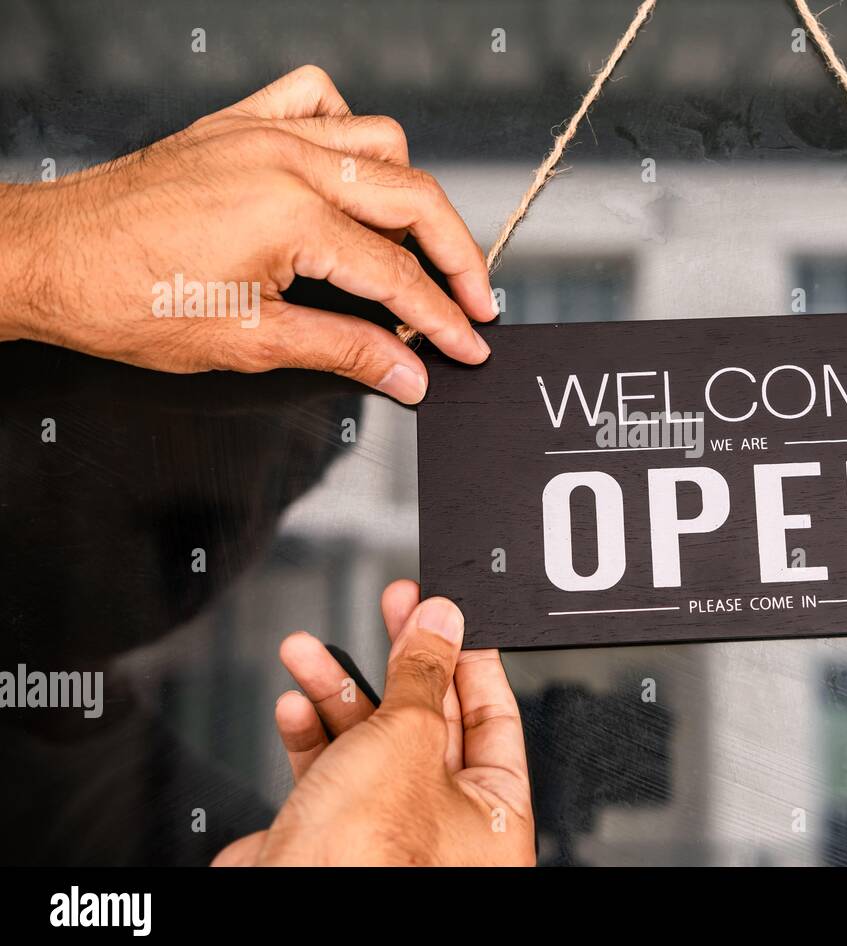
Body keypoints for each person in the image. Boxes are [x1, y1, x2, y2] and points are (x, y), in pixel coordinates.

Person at [0, 66, 535, 866]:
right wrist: (36, 251)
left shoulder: (225, 840)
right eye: (219, 417)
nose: (249, 508)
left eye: (294, 482)